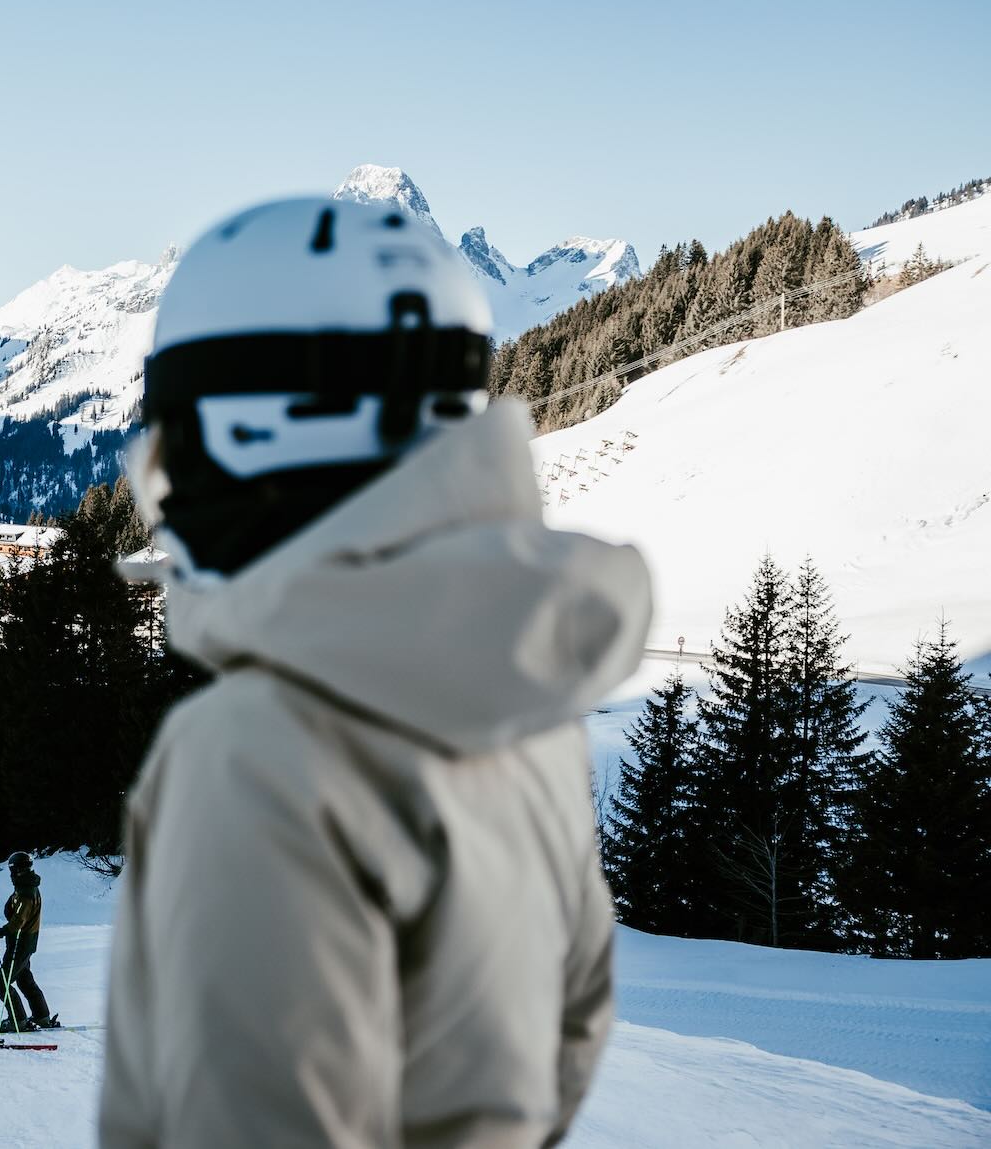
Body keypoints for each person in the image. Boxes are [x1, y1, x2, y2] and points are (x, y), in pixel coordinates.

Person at [98, 197, 653, 1147]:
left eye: (172, 436)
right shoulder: (523, 705)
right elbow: (571, 1031)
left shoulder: (255, 749)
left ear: (267, 427)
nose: (163, 486)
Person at [0, 851, 58, 1032]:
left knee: (2, 983)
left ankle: (18, 1021)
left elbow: (19, 921)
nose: (10, 874)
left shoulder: (26, 891)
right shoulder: (24, 887)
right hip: (24, 942)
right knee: (24, 980)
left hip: (20, 942)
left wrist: (0, 931)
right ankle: (42, 1016)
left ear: (18, 869)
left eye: (12, 869)